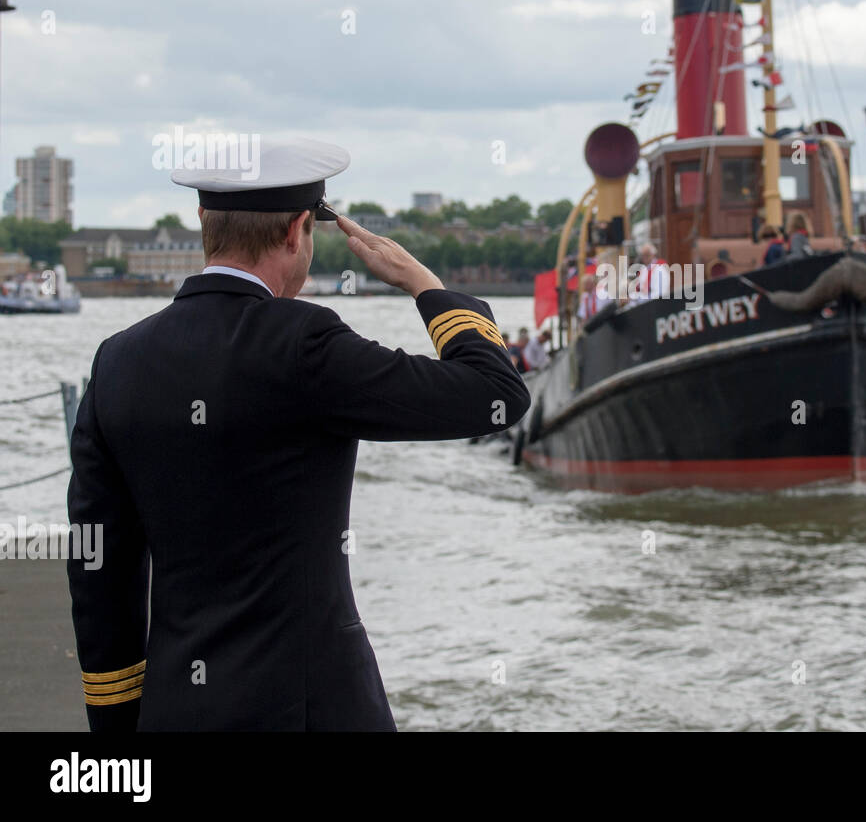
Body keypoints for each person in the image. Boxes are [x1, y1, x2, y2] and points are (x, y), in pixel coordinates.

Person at [65, 139, 529, 732]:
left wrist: (118, 725)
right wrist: (422, 282)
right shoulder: (306, 344)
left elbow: (98, 567)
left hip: (177, 708)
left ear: (203, 220)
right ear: (297, 231)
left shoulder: (117, 362)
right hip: (314, 711)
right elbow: (496, 395)